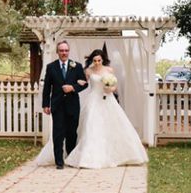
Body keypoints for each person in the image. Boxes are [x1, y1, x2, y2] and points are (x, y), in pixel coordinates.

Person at [64, 49, 148, 169]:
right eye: (95, 60)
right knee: (91, 125)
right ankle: (89, 156)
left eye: (99, 60)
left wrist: (110, 89)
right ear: (92, 60)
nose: (97, 62)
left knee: (114, 124)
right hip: (93, 100)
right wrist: (77, 83)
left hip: (107, 99)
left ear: (102, 60)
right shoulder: (88, 71)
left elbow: (114, 86)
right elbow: (83, 82)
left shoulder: (109, 70)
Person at [36, 39, 88, 169]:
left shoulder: (77, 66)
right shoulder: (51, 67)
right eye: (61, 51)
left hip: (72, 105)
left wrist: (73, 88)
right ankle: (59, 161)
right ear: (57, 52)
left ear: (69, 51)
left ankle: (70, 158)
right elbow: (47, 88)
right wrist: (45, 105)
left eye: (66, 50)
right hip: (57, 105)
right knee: (58, 134)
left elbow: (84, 84)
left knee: (72, 133)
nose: (64, 53)